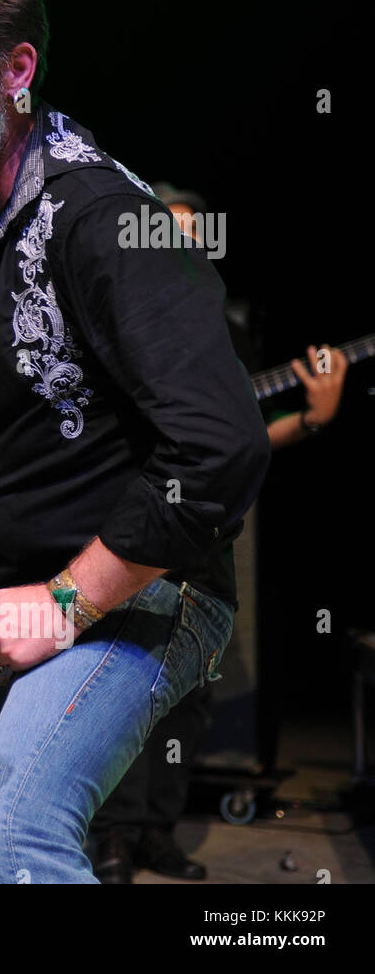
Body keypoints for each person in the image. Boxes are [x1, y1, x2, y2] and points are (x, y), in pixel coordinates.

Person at [0, 0, 271, 883]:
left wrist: (65, 602)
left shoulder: (104, 220)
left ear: (17, 72)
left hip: (151, 591)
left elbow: (222, 446)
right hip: (19, 603)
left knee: (9, 823)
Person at [91, 183, 351, 883]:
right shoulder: (111, 320)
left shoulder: (222, 333)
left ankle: (156, 832)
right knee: (126, 685)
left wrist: (315, 417)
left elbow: (245, 439)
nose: (180, 248)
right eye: (164, 234)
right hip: (134, 527)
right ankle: (113, 837)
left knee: (189, 691)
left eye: (191, 237)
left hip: (204, 535)